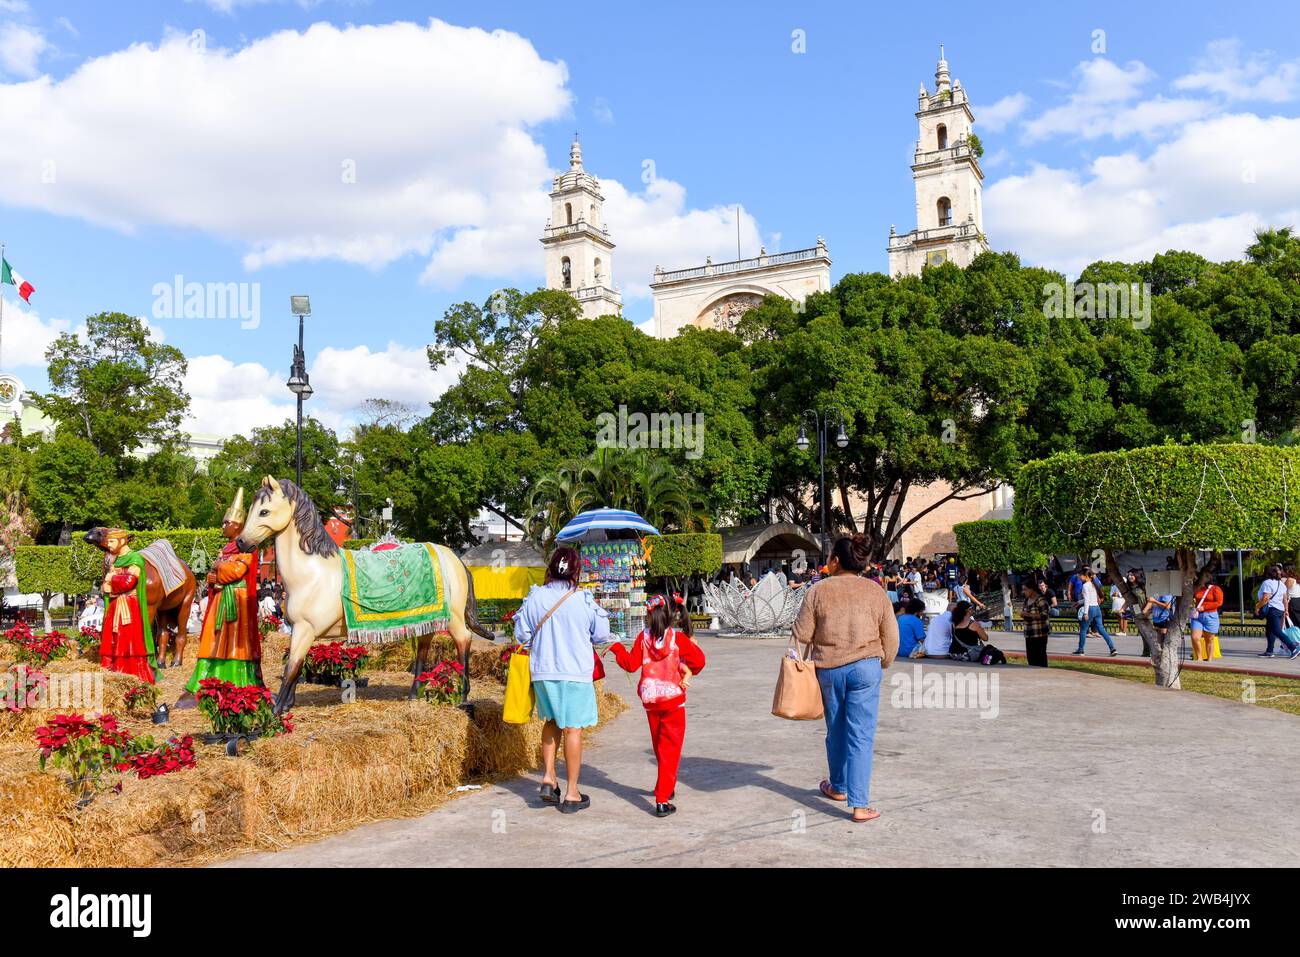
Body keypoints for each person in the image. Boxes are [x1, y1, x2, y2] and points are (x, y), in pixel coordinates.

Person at [791, 533, 898, 823]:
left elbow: (801, 633)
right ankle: (860, 805)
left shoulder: (818, 590)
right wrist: (883, 661)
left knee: (836, 730)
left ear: (836, 561)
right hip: (866, 667)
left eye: (829, 557)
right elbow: (891, 636)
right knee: (861, 736)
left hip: (830, 668)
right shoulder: (875, 591)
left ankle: (838, 786)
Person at [514, 546, 611, 811]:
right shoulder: (583, 599)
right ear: (576, 571)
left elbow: (521, 635)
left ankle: (548, 777)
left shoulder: (535, 596)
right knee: (573, 728)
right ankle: (572, 793)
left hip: (543, 671)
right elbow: (602, 635)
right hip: (574, 673)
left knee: (552, 722)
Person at [606, 593, 706, 817]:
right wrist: (685, 668)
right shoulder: (677, 639)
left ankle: (665, 786)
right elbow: (699, 661)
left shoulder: (643, 637)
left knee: (660, 747)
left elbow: (631, 665)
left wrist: (617, 648)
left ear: (648, 616)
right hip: (673, 702)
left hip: (651, 702)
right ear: (671, 615)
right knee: (670, 750)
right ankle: (662, 799)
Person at [1255, 564, 1299, 658]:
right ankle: (1269, 651)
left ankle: (1293, 649)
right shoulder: (1281, 584)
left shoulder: (1267, 583)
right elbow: (1285, 598)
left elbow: (1266, 598)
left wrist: (1257, 607)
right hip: (1280, 609)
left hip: (1272, 610)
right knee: (1269, 631)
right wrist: (1286, 610)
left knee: (1276, 630)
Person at [1073, 568, 1118, 656]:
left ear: (1086, 577)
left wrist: (1085, 613)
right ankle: (1112, 648)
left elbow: (1087, 600)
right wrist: (1078, 602)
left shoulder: (1085, 585)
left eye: (1080, 575)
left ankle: (1081, 650)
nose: (1079, 577)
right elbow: (1090, 598)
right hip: (1097, 608)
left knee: (1083, 629)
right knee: (1101, 629)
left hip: (1090, 609)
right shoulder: (1094, 584)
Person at [1189, 579, 1224, 661]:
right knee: (1195, 637)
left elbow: (1219, 602)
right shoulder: (1198, 588)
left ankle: (1209, 659)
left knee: (1209, 640)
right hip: (1197, 616)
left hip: (1210, 616)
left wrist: (1204, 607)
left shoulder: (1215, 589)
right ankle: (1199, 658)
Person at [1021, 581, 1052, 667]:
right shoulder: (1026, 600)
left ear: (1032, 589)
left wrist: (1028, 614)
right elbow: (1026, 613)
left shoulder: (1040, 600)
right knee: (1031, 658)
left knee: (1040, 657)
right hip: (1029, 634)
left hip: (1040, 633)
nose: (1024, 592)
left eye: (1025, 589)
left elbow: (1045, 615)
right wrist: (1024, 614)